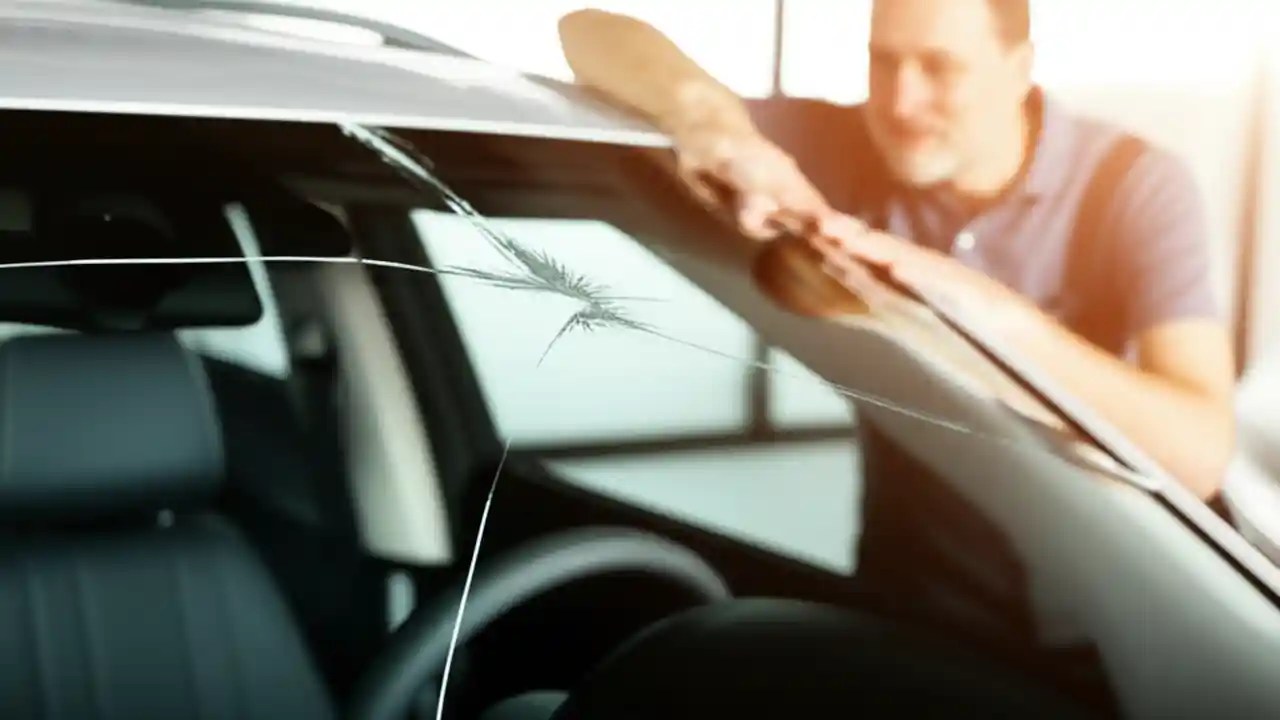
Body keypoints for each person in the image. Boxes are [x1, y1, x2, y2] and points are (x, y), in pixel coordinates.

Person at [558, 0, 1236, 644]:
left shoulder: (1133, 185)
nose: (901, 101)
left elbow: (1199, 454)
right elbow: (586, 30)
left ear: (1019, 67)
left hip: (1117, 613)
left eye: (939, 68)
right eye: (882, 62)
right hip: (915, 596)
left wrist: (973, 317)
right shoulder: (837, 144)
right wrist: (713, 123)